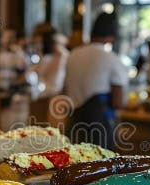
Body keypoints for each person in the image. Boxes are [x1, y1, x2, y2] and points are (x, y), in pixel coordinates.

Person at [64, 12, 128, 148]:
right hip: (99, 128)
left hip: (74, 124)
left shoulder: (73, 54)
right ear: (112, 35)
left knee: (74, 158)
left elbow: (66, 89)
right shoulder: (111, 58)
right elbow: (118, 102)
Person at [30, 23, 69, 97]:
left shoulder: (60, 56)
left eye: (39, 42)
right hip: (45, 94)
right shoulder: (49, 56)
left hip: (51, 96)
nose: (37, 45)